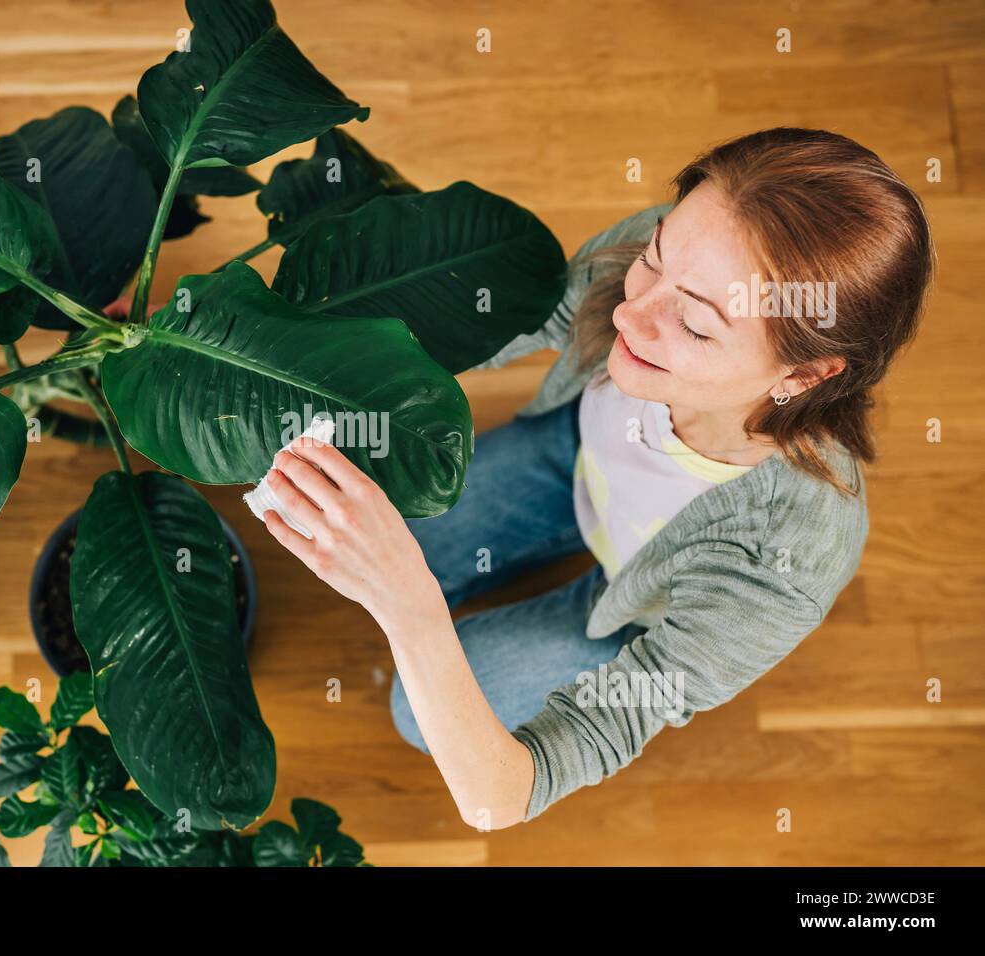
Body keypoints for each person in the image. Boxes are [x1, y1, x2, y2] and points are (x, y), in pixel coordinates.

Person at [260, 127, 935, 828]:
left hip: (626, 603)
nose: (627, 313)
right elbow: (511, 320)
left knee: (419, 710)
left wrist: (412, 610)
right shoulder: (682, 260)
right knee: (390, 529)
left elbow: (502, 794)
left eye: (697, 327)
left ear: (802, 375)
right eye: (654, 257)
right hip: (569, 457)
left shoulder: (778, 567)